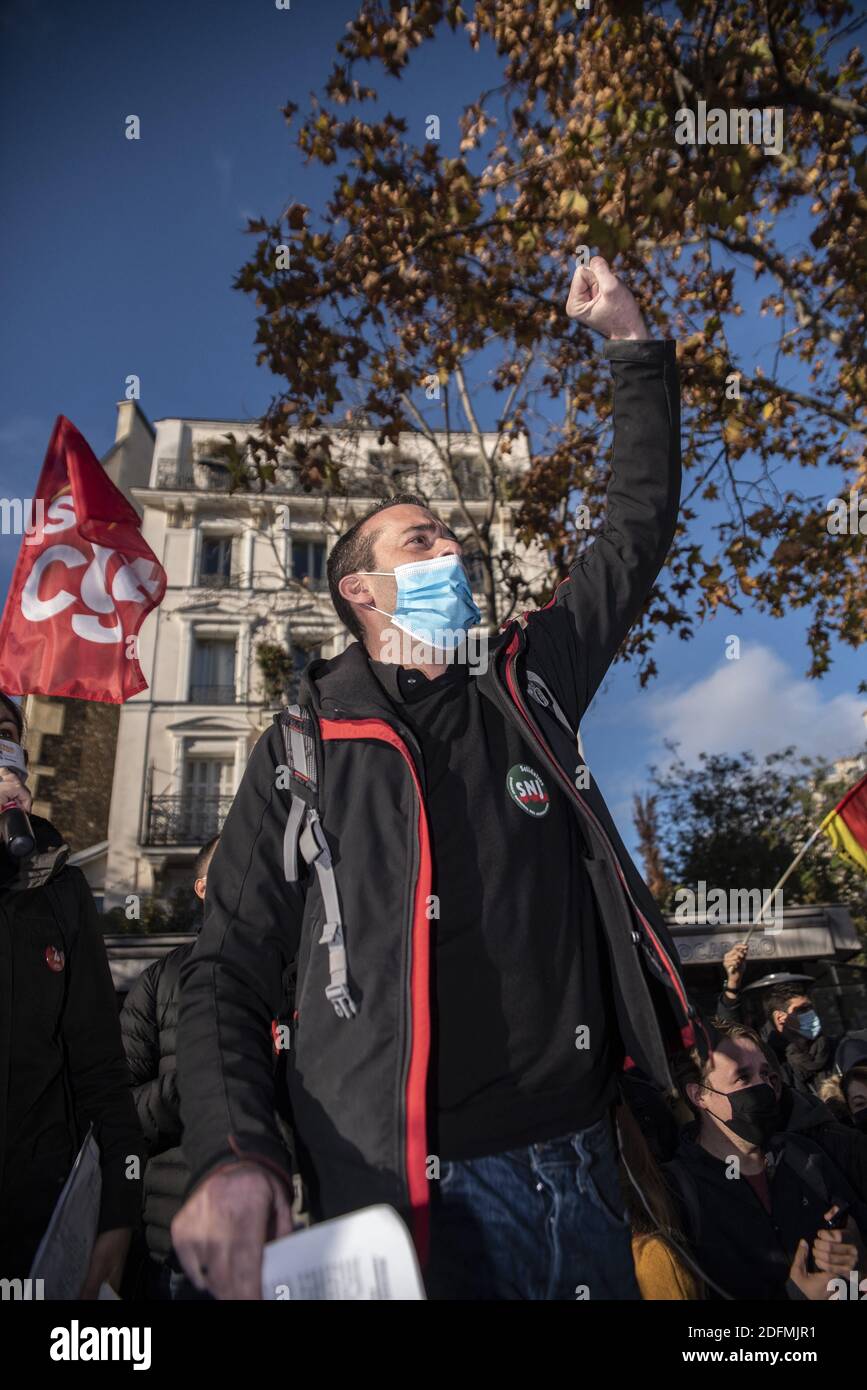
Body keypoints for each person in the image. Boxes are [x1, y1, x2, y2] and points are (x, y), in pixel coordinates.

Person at [173, 257, 705, 1301]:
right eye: (425, 538)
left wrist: (633, 345)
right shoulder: (303, 749)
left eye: (453, 535)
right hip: (425, 1193)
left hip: (590, 1163)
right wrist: (237, 1152)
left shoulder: (528, 680)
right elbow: (226, 967)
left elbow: (634, 530)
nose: (453, 546)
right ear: (362, 588)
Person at [0, 690, 144, 1295]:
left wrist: (119, 1205)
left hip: (35, 1216)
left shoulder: (59, 886)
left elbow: (99, 1063)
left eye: (9, 733)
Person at [665, 1019, 866, 1300]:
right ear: (700, 1095)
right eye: (743, 1077)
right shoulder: (677, 1192)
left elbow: (858, 1246)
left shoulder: (805, 1156)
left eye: (767, 1075)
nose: (765, 1087)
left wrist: (859, 1257)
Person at [120, 836, 219, 1299]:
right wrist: (200, 1080)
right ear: (202, 888)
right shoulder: (156, 984)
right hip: (173, 1249)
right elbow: (119, 1117)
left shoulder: (300, 975)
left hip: (282, 1238)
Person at [719, 945, 839, 1097]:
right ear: (780, 1018)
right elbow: (729, 1030)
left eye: (811, 1008)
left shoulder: (836, 1050)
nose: (811, 1013)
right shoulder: (768, 1059)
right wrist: (732, 984)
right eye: (802, 1009)